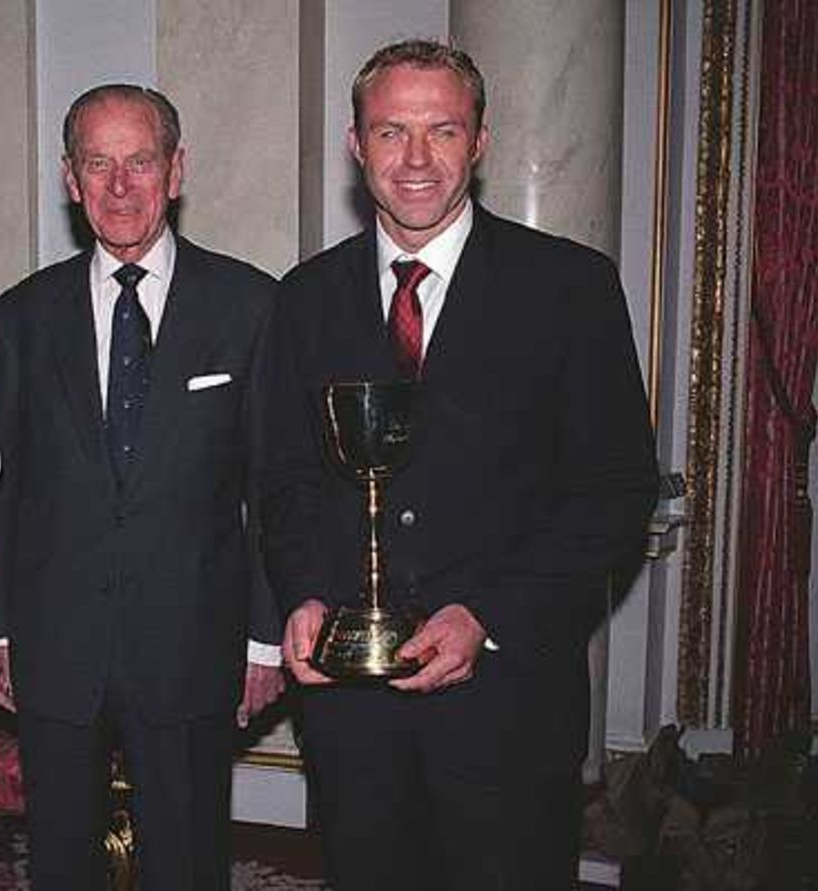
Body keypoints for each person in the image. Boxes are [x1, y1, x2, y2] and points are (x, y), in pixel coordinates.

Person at [260, 40, 659, 890]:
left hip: (508, 713)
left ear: (479, 143)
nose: (414, 159)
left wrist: (488, 614)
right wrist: (304, 591)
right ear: (356, 145)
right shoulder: (303, 297)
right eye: (391, 131)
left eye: (441, 131)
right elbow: (284, 477)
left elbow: (615, 491)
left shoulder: (570, 288)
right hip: (352, 713)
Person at [0, 84, 285, 891]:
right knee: (60, 863)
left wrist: (263, 637)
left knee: (188, 861)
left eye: (140, 161)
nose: (120, 185)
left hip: (193, 643)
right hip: (55, 643)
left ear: (176, 170)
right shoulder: (22, 316)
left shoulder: (252, 306)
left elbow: (276, 490)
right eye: (97, 164)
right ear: (71, 181)